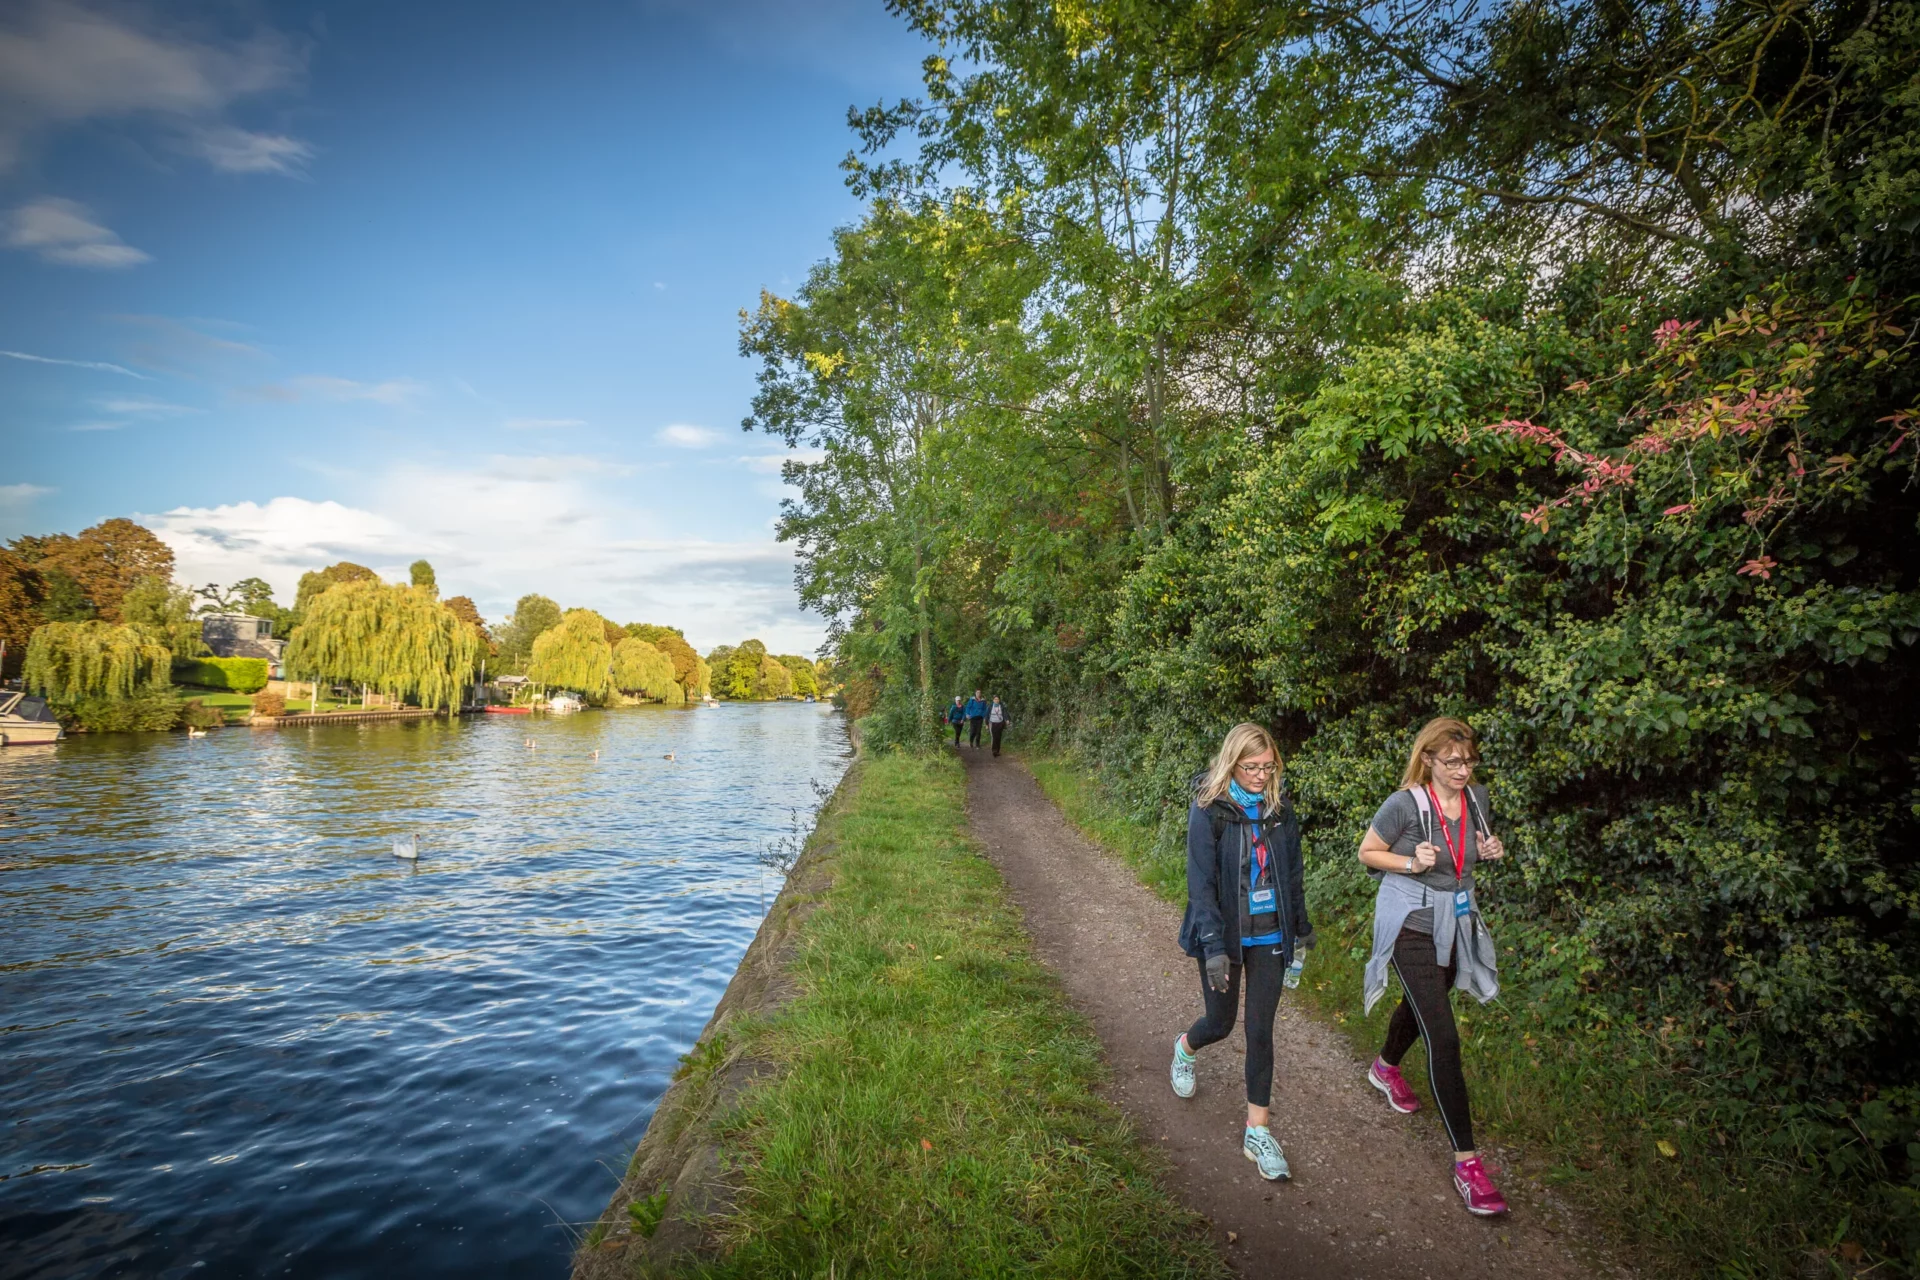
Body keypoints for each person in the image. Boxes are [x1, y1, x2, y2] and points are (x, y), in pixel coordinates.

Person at [1356, 716, 1510, 1216]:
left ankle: (1384, 1067)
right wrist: (1409, 863)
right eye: (1452, 761)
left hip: (1454, 923)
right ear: (1428, 759)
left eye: (1469, 760)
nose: (1463, 770)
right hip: (1409, 922)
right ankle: (1469, 1165)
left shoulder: (1477, 801)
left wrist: (1489, 851)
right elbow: (1368, 853)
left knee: (1426, 1003)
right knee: (1443, 1035)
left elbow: (1468, 855)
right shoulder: (1404, 805)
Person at [1171, 723, 1311, 1182]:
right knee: (1221, 1023)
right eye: (1251, 767)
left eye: (1268, 766)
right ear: (1232, 763)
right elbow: (1201, 885)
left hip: (1270, 935)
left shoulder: (1279, 810)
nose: (1260, 775)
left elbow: (1291, 876)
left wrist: (1301, 930)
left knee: (1260, 1032)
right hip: (1224, 937)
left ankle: (1258, 1131)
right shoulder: (1209, 811)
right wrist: (1212, 947)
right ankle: (1186, 1048)